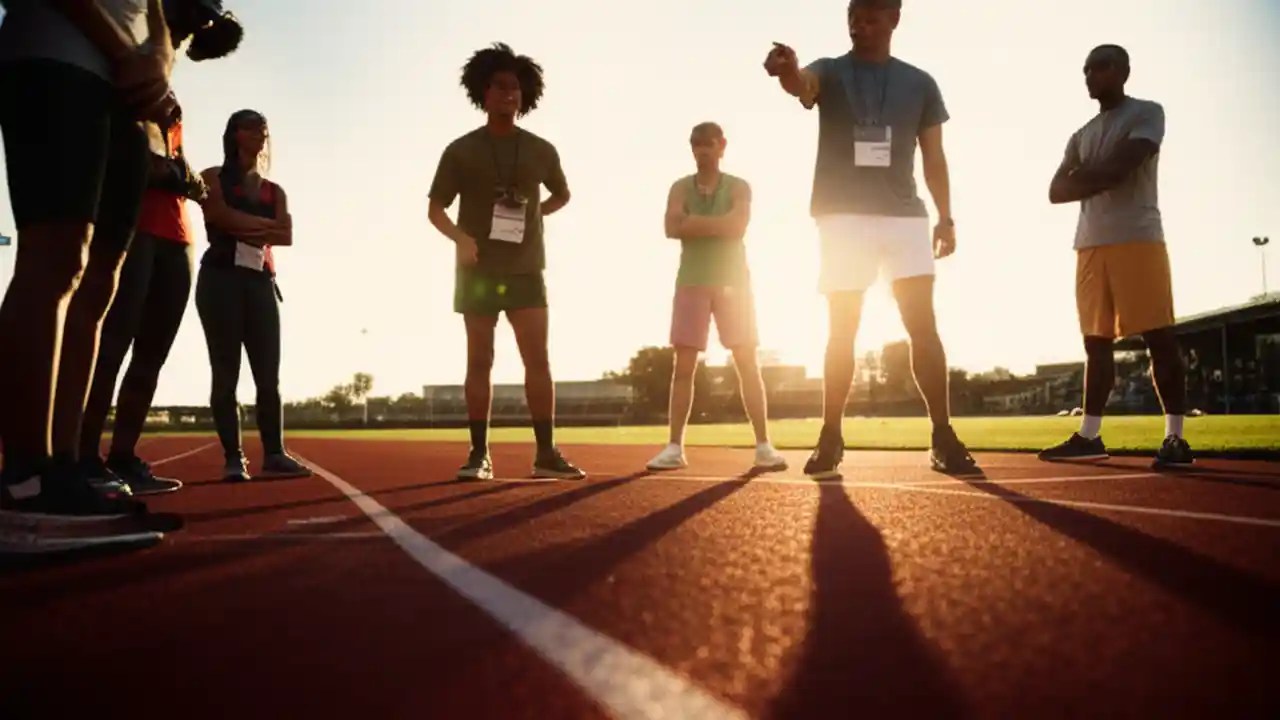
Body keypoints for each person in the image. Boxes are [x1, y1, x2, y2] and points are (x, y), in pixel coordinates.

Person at [762, 0, 977, 478]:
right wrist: (788, 70)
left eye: (870, 18)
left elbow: (934, 157)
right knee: (843, 329)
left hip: (904, 217)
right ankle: (831, 435)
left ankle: (942, 435)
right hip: (843, 219)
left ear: (894, 20)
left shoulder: (920, 83)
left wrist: (946, 217)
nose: (859, 26)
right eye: (853, 18)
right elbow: (803, 85)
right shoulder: (831, 71)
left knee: (923, 326)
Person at [0, 0, 180, 518]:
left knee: (100, 280)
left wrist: (159, 61)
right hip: (59, 58)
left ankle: (66, 464)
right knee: (57, 258)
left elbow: (155, 10)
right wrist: (127, 54)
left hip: (127, 98)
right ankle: (25, 474)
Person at [78, 0, 245, 497]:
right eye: (187, 22)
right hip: (134, 224)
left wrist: (187, 177)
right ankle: (82, 456)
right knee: (111, 345)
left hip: (177, 234)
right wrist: (175, 176)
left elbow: (172, 157)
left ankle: (123, 456)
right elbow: (130, 155)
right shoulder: (124, 61)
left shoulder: (167, 83)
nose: (190, 35)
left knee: (152, 353)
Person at [428, 42, 586, 482]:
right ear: (483, 92)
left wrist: (535, 215)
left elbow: (562, 194)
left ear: (525, 94)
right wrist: (460, 239)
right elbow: (435, 209)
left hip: (525, 269)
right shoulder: (460, 151)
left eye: (514, 88)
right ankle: (479, 454)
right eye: (498, 87)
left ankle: (546, 454)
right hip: (477, 270)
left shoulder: (541, 150)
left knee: (539, 360)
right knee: (479, 361)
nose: (507, 95)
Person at [1039, 45, 1193, 468]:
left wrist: (1084, 179)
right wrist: (1097, 175)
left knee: (1159, 338)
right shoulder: (1080, 134)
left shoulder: (1146, 113)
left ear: (1123, 71)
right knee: (1095, 343)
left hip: (1137, 238)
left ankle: (1175, 439)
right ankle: (1089, 436)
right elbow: (1055, 192)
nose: (1090, 74)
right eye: (1086, 69)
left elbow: (1120, 169)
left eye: (1100, 67)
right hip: (1089, 244)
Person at [645, 122, 788, 473]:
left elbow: (737, 225)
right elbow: (670, 227)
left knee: (746, 363)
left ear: (721, 146)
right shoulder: (680, 186)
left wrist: (693, 223)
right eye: (695, 144)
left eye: (708, 144)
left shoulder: (739, 186)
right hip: (692, 281)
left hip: (733, 282)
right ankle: (674, 447)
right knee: (684, 366)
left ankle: (764, 445)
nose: (701, 150)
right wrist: (715, 224)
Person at [195, 109, 311, 483]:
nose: (260, 133)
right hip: (220, 281)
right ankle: (234, 457)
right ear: (233, 133)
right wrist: (264, 227)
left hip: (260, 281)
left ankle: (274, 453)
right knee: (225, 372)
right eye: (250, 126)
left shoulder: (274, 191)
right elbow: (219, 217)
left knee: (268, 376)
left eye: (263, 128)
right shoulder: (212, 177)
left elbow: (286, 235)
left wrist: (246, 226)